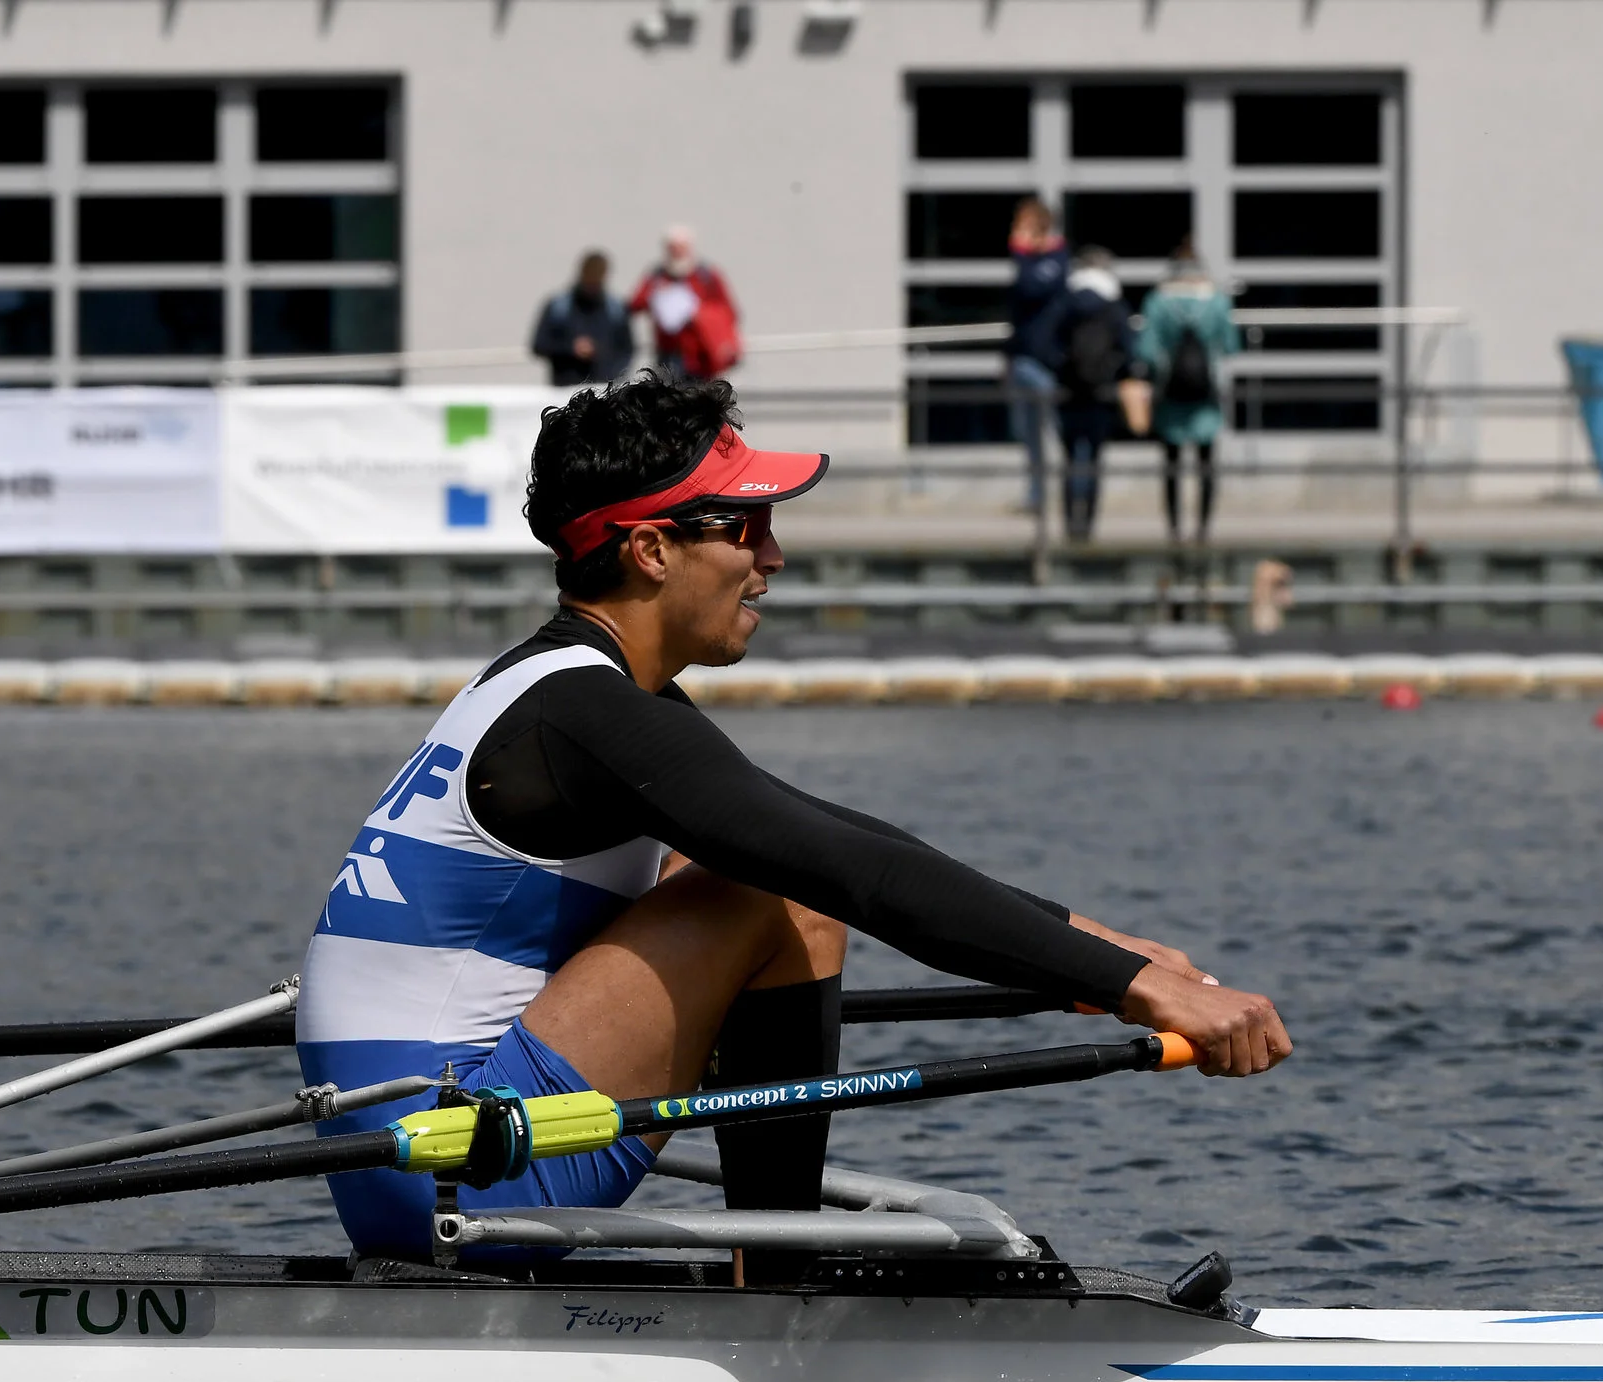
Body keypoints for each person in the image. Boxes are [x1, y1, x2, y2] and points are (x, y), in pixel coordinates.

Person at [294, 374, 1291, 1269]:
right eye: (742, 527)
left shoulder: (556, 689)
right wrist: (1136, 992)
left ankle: (769, 1264)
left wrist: (1102, 952)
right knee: (783, 894)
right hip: (462, 1171)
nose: (770, 554)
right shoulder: (589, 716)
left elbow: (853, 835)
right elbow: (844, 871)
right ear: (648, 549)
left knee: (777, 868)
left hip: (419, 1158)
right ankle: (777, 1275)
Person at [1136, 241, 1241, 548]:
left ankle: (1174, 530)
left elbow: (1145, 349)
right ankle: (1203, 529)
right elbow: (1231, 346)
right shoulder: (1217, 301)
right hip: (1205, 395)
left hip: (1171, 394)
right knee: (1206, 465)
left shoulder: (1157, 302)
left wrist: (1165, 367)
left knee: (1171, 466)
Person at [1053, 246, 1134, 544]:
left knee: (1070, 459)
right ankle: (1088, 526)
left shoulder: (1065, 301)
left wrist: (1062, 370)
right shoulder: (1113, 305)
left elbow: (1049, 341)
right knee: (1095, 459)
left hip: (1068, 391)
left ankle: (1068, 525)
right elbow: (1128, 347)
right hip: (1100, 392)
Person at [1004, 198, 1069, 518]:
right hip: (1022, 361)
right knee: (1026, 434)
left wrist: (1020, 251)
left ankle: (1068, 494)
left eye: (1023, 225)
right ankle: (1035, 496)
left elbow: (1034, 288)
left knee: (1052, 431)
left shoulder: (1056, 259)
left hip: (1047, 364)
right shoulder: (1030, 263)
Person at [629, 227, 741, 382]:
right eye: (673, 249)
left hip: (701, 357)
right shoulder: (657, 276)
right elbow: (636, 303)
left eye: (681, 248)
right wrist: (656, 296)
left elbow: (728, 310)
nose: (677, 253)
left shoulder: (707, 276)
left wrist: (700, 315)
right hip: (669, 354)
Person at [530, 252, 634, 387]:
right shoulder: (559, 307)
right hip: (565, 388)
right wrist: (571, 348)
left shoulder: (615, 309)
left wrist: (612, 374)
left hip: (603, 387)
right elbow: (539, 345)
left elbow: (627, 349)